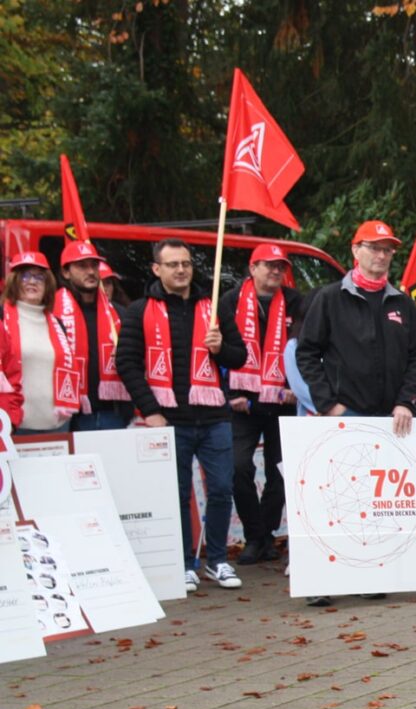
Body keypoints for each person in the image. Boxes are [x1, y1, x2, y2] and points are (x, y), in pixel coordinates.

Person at [296, 220, 416, 607]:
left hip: (389, 419)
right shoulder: (329, 298)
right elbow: (307, 352)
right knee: (331, 500)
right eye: (374, 247)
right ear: (356, 251)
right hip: (344, 414)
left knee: (374, 504)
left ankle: (367, 576)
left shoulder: (402, 303)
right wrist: (328, 403)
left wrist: (405, 401)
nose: (382, 255)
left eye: (388, 250)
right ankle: (318, 580)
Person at [116, 238, 249, 591]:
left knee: (222, 488)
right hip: (169, 419)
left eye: (186, 264)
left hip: (214, 417)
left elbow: (240, 357)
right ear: (157, 269)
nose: (181, 270)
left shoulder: (214, 307)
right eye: (172, 264)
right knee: (177, 494)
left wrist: (221, 349)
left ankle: (217, 561)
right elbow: (127, 363)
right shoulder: (139, 310)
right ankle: (185, 562)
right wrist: (152, 411)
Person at [218, 243, 303, 566]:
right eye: (268, 265)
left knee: (281, 472)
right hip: (244, 402)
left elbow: (304, 350)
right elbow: (216, 352)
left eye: (280, 266)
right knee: (238, 468)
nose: (275, 272)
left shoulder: (296, 302)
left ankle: (264, 535)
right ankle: (255, 536)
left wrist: (298, 388)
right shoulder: (229, 302)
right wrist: (229, 394)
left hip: (283, 400)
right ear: (252, 269)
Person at [1, 251, 79, 436]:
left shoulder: (58, 323)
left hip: (57, 424)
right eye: (25, 276)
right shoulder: (2, 317)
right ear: (14, 281)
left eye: (39, 277)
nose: (32, 281)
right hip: (15, 425)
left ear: (48, 284)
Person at [56, 241, 131, 431]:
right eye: (82, 266)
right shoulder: (52, 311)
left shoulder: (119, 314)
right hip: (66, 414)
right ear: (66, 272)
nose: (90, 271)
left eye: (94, 265)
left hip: (111, 413)